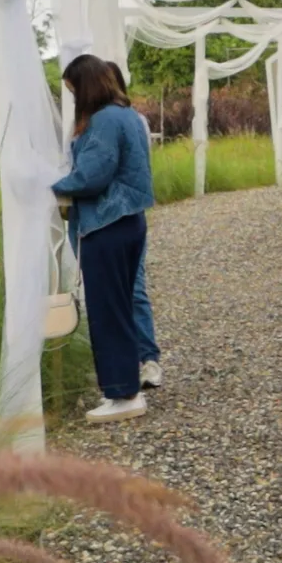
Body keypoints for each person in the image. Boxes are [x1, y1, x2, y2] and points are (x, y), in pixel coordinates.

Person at [52, 54, 155, 422]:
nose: (73, 95)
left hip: (106, 225)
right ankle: (125, 385)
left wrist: (52, 185)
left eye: (73, 87)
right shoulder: (127, 114)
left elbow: (93, 174)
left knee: (107, 311)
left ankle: (121, 393)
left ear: (87, 84)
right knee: (121, 306)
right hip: (129, 221)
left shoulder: (104, 120)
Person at [105, 60, 164, 393]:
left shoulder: (132, 121)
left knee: (134, 287)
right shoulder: (86, 124)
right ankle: (123, 361)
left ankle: (147, 357)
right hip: (102, 218)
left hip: (125, 214)